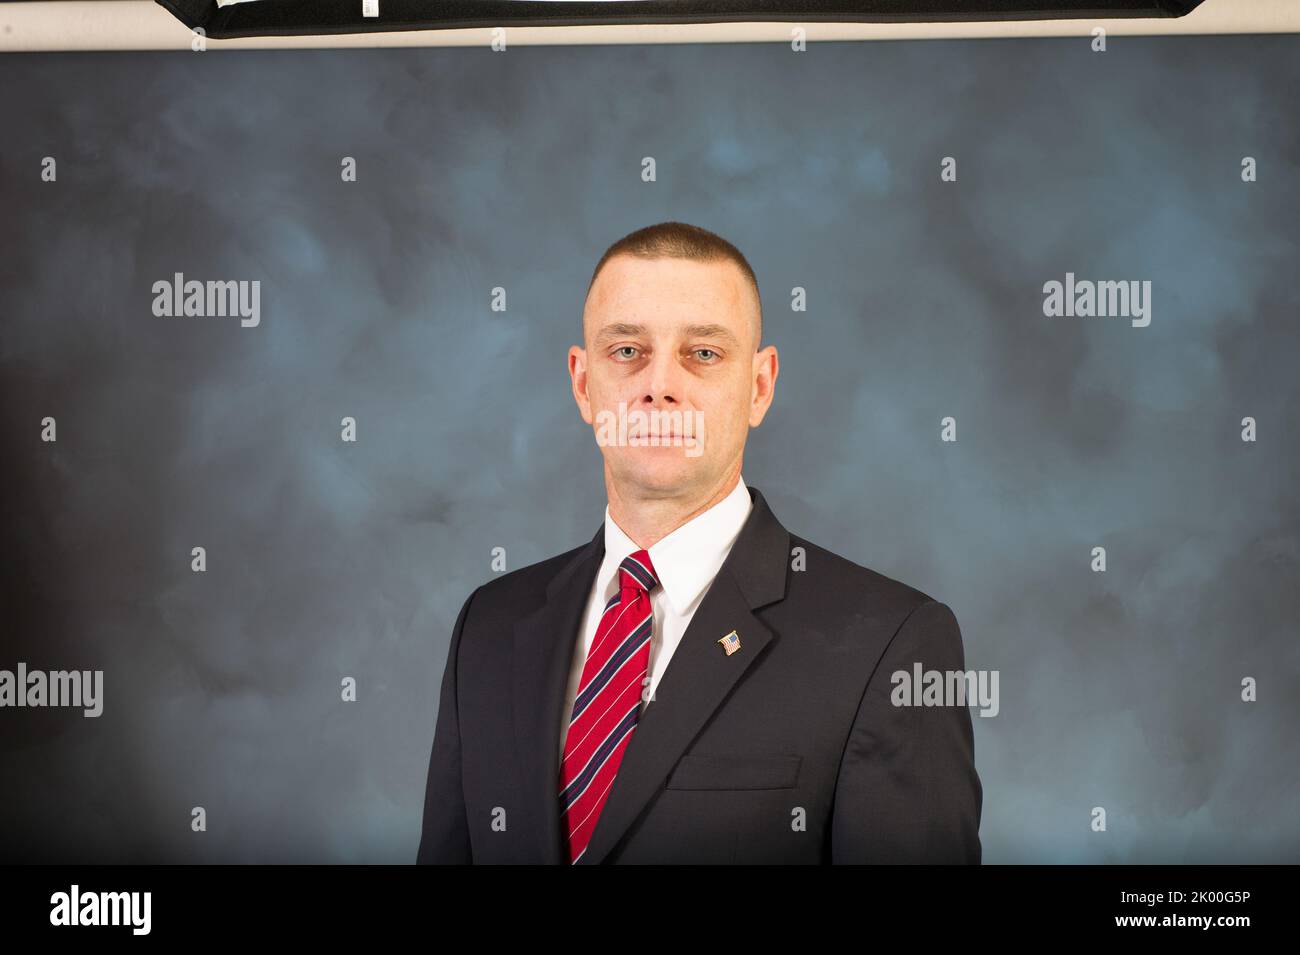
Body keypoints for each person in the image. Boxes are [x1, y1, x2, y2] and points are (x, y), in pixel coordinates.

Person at [417, 221, 981, 864]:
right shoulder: (489, 627)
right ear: (582, 383)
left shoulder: (890, 643)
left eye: (703, 353)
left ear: (760, 386)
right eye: (627, 351)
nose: (660, 386)